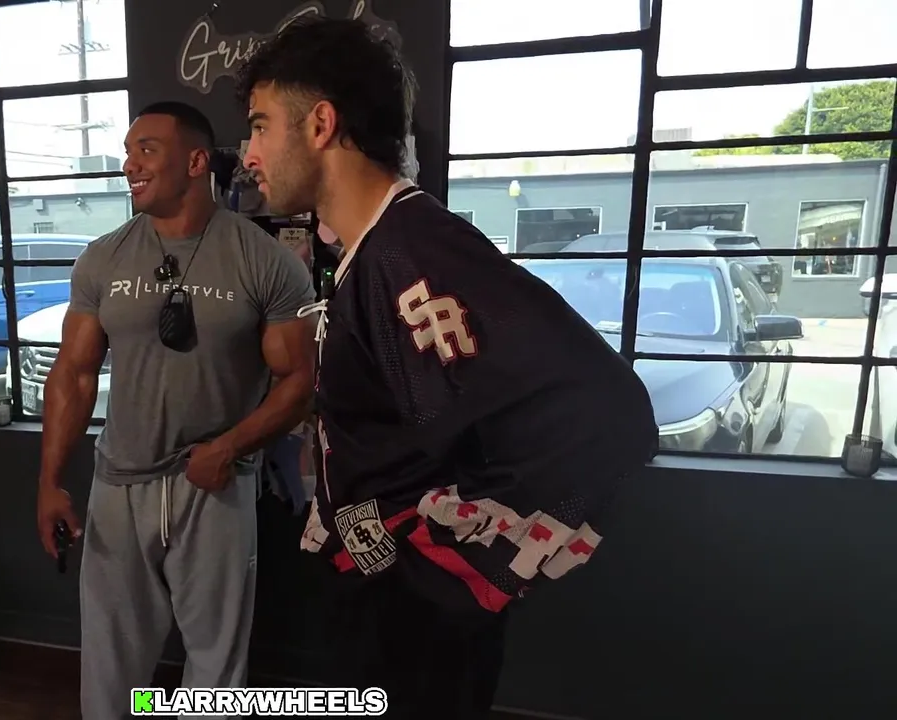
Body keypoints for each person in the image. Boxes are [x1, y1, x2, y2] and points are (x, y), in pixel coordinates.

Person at [237, 17, 658, 718]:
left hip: (412, 625)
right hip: (377, 604)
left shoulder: (409, 249)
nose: (248, 154)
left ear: (320, 124)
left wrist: (443, 564)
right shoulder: (373, 251)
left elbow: (605, 415)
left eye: (259, 127)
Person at [35, 101, 316, 719]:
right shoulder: (102, 258)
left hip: (213, 483)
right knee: (111, 658)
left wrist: (229, 448)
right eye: (127, 151)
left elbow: (300, 380)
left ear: (195, 162)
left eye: (146, 150)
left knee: (215, 665)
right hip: (121, 484)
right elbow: (73, 376)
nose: (129, 164)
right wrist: (50, 481)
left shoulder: (263, 259)